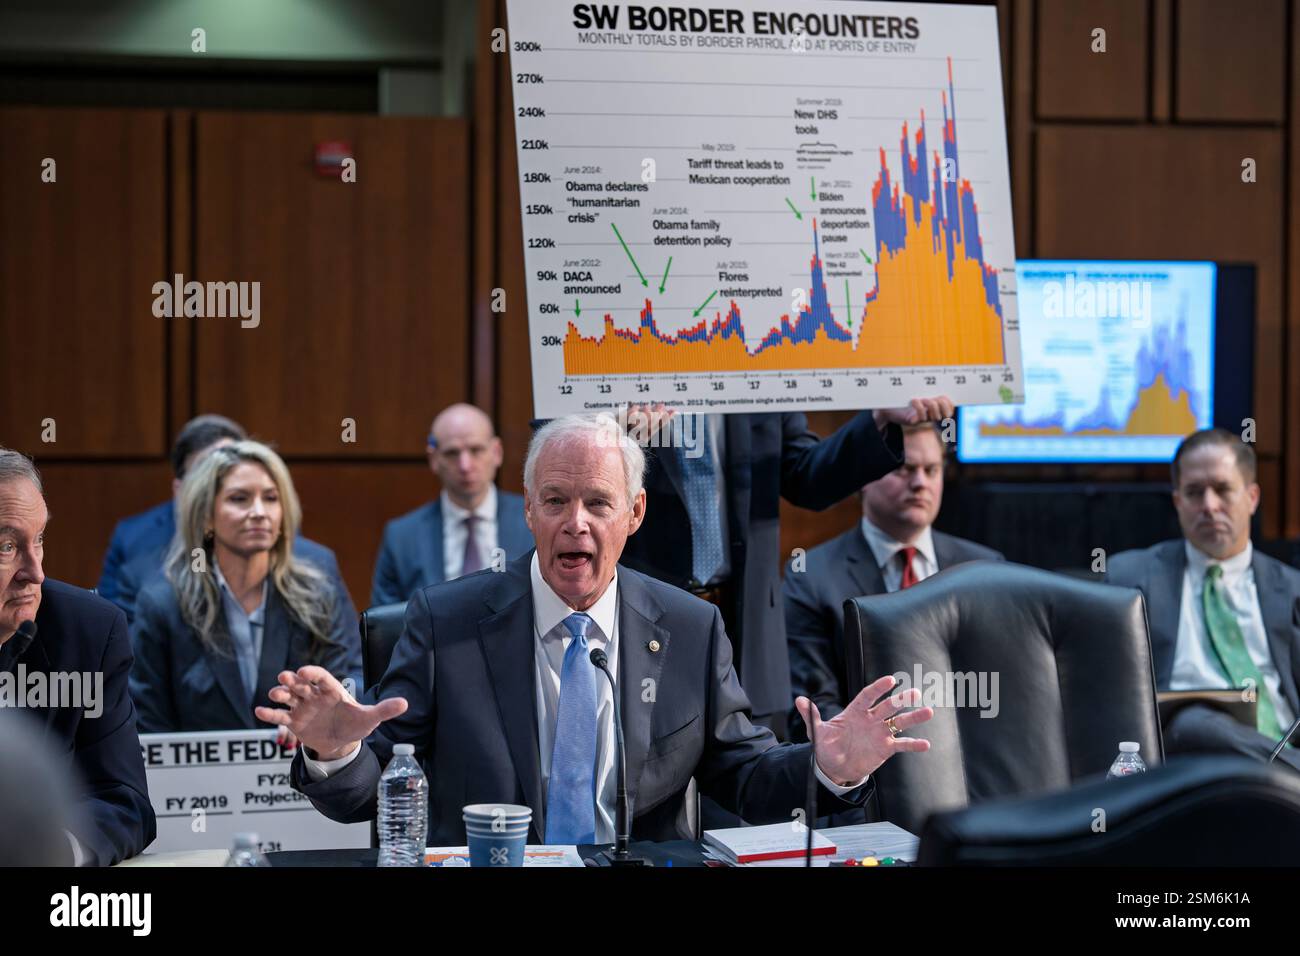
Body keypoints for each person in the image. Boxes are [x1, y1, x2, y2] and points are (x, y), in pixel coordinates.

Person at [260, 414, 933, 845]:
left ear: (635, 514)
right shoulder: (447, 623)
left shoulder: (692, 630)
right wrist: (333, 753)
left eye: (598, 503)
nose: (575, 522)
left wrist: (828, 767)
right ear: (527, 510)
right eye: (555, 500)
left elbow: (746, 775)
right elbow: (376, 791)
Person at [616, 398, 954, 739]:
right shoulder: (623, 369)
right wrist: (612, 437)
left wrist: (880, 417)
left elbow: (808, 478)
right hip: (648, 618)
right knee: (654, 774)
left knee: (752, 778)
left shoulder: (759, 368)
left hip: (750, 631)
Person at [785, 421, 1003, 741]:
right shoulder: (811, 576)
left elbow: (1002, 685)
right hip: (866, 771)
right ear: (863, 480)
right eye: (904, 470)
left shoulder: (986, 569)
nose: (920, 483)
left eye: (932, 470)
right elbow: (816, 707)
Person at [130, 441, 362, 733]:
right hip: (198, 776)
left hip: (303, 770)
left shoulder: (317, 592)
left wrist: (316, 726)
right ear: (206, 517)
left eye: (270, 498)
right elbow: (149, 720)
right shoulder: (162, 603)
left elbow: (349, 680)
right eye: (239, 499)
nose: (259, 512)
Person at [1106, 429, 1300, 771]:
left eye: (1223, 489)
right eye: (1194, 493)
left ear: (1252, 497)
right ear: (1178, 502)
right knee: (1194, 722)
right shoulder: (1129, 577)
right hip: (1183, 757)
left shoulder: (1292, 589)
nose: (1209, 506)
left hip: (1283, 741)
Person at [0, 448, 155, 865]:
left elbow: (122, 802)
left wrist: (48, 852)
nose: (35, 572)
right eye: (6, 546)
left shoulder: (87, 632)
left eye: (39, 540)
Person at [98, 414, 349, 623]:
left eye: (271, 497)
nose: (259, 512)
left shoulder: (304, 561)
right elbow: (119, 648)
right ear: (182, 489)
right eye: (207, 473)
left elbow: (350, 667)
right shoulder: (144, 567)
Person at [371, 403, 533, 606]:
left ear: (496, 452)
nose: (465, 466)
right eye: (452, 453)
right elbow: (385, 628)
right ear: (434, 459)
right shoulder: (401, 537)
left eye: (476, 450)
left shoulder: (533, 520)